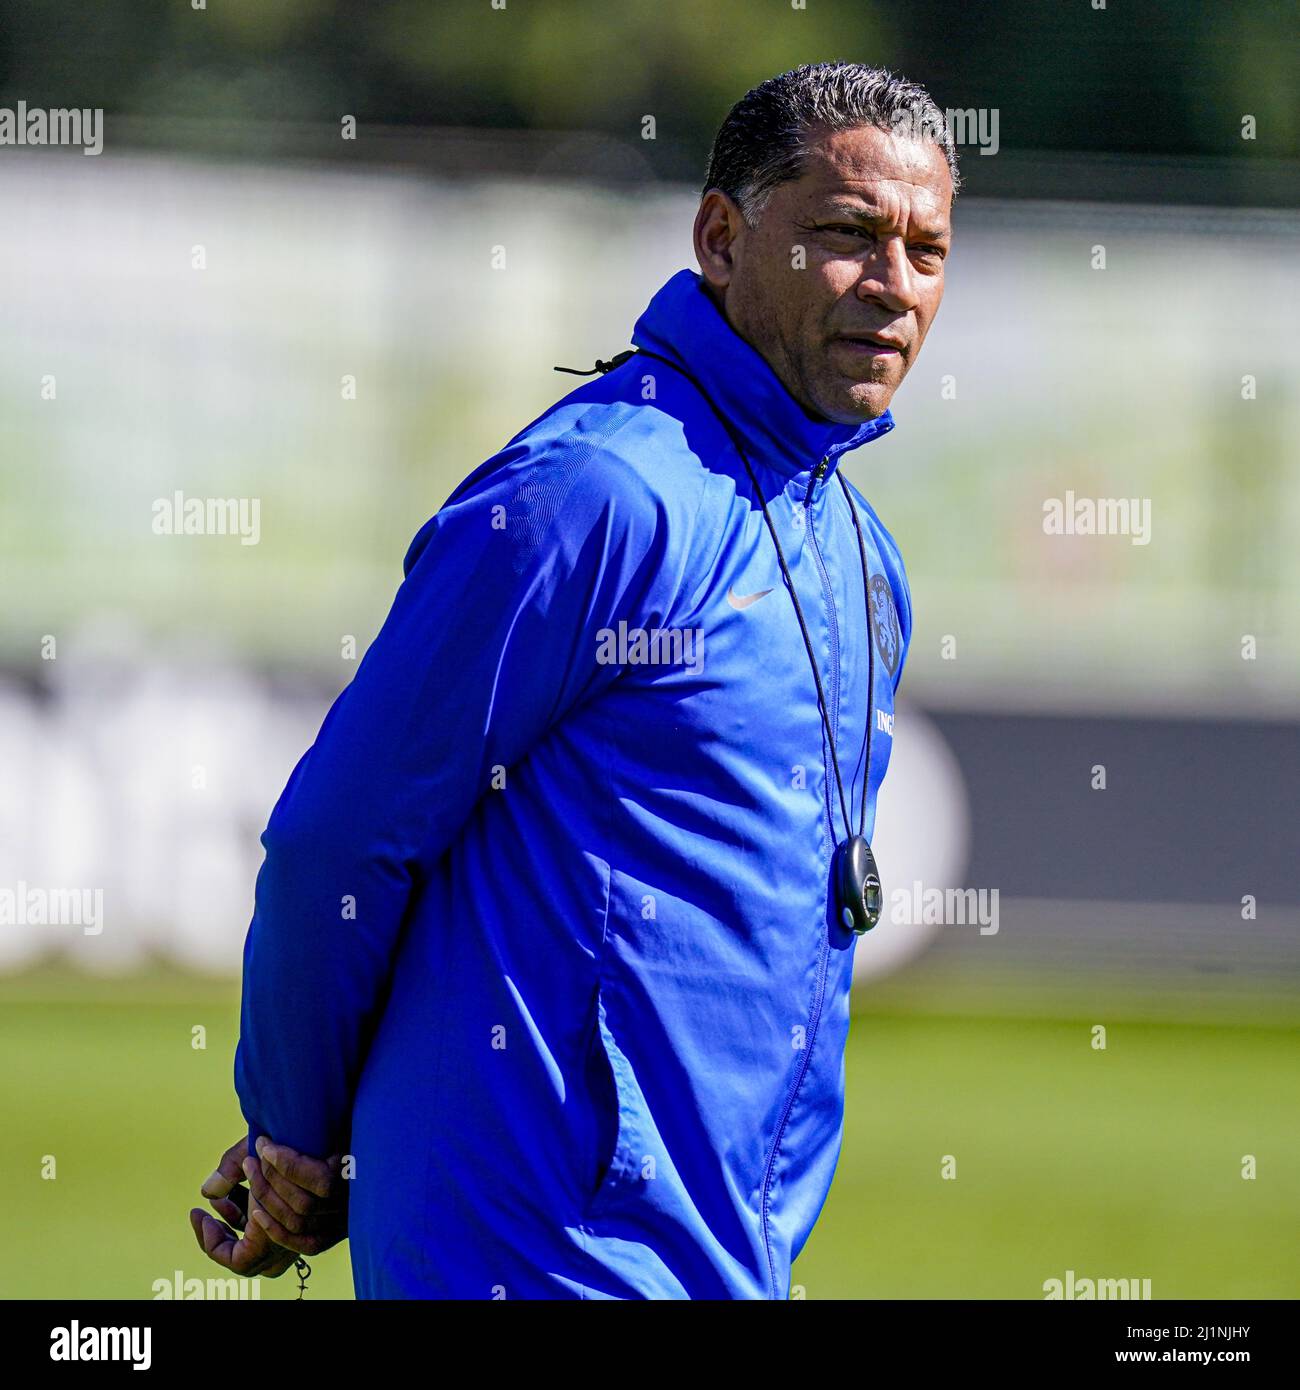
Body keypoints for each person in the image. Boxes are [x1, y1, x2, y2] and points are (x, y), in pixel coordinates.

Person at [191, 60, 957, 1299]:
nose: (893, 287)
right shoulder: (593, 493)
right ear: (720, 235)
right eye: (846, 236)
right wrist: (293, 1129)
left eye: (926, 252)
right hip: (531, 1250)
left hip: (721, 1256)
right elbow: (340, 837)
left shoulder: (862, 554)